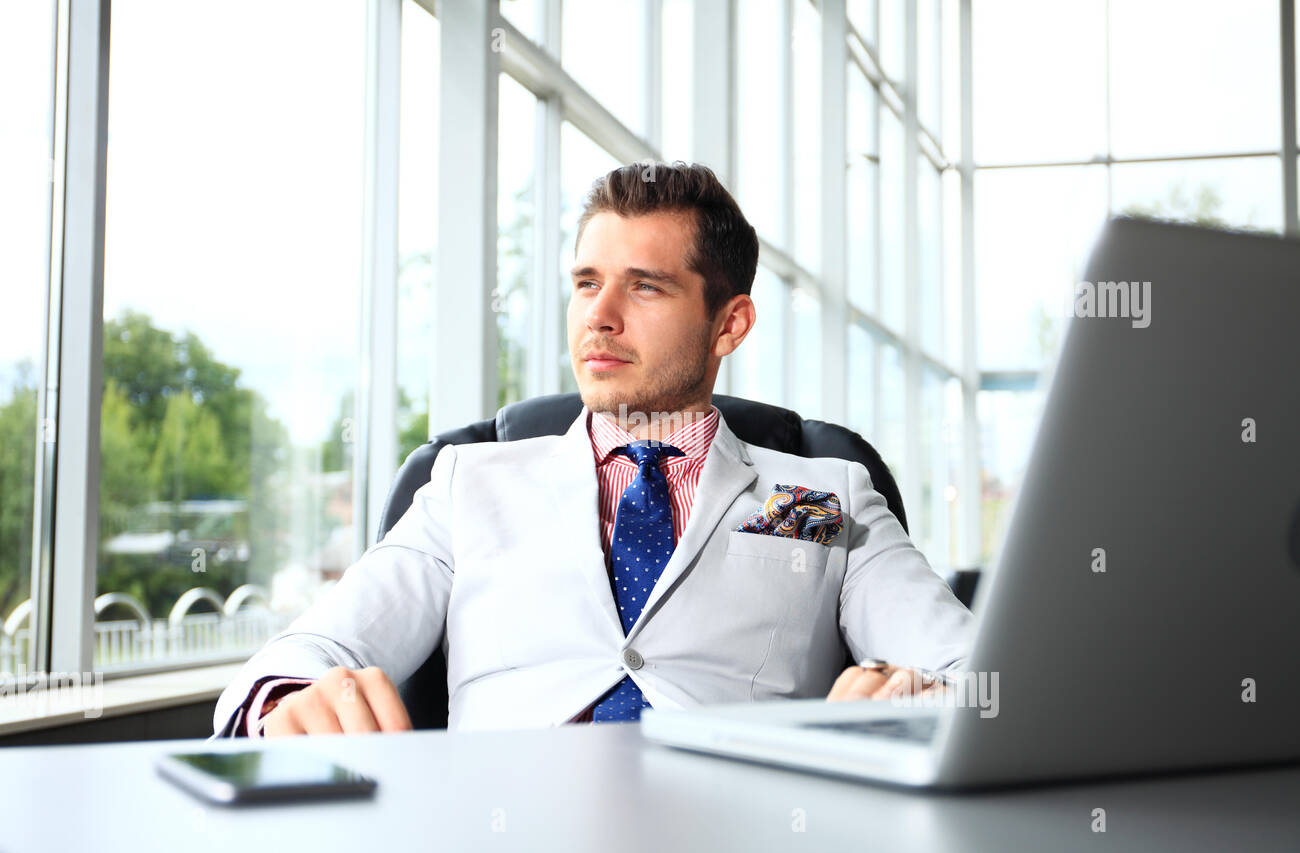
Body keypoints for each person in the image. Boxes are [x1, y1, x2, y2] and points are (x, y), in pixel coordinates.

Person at [212, 161, 975, 738]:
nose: (599, 318)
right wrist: (291, 700)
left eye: (644, 288)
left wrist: (919, 699)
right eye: (585, 283)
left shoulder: (818, 496)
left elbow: (981, 673)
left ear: (730, 324)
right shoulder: (469, 484)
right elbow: (307, 650)